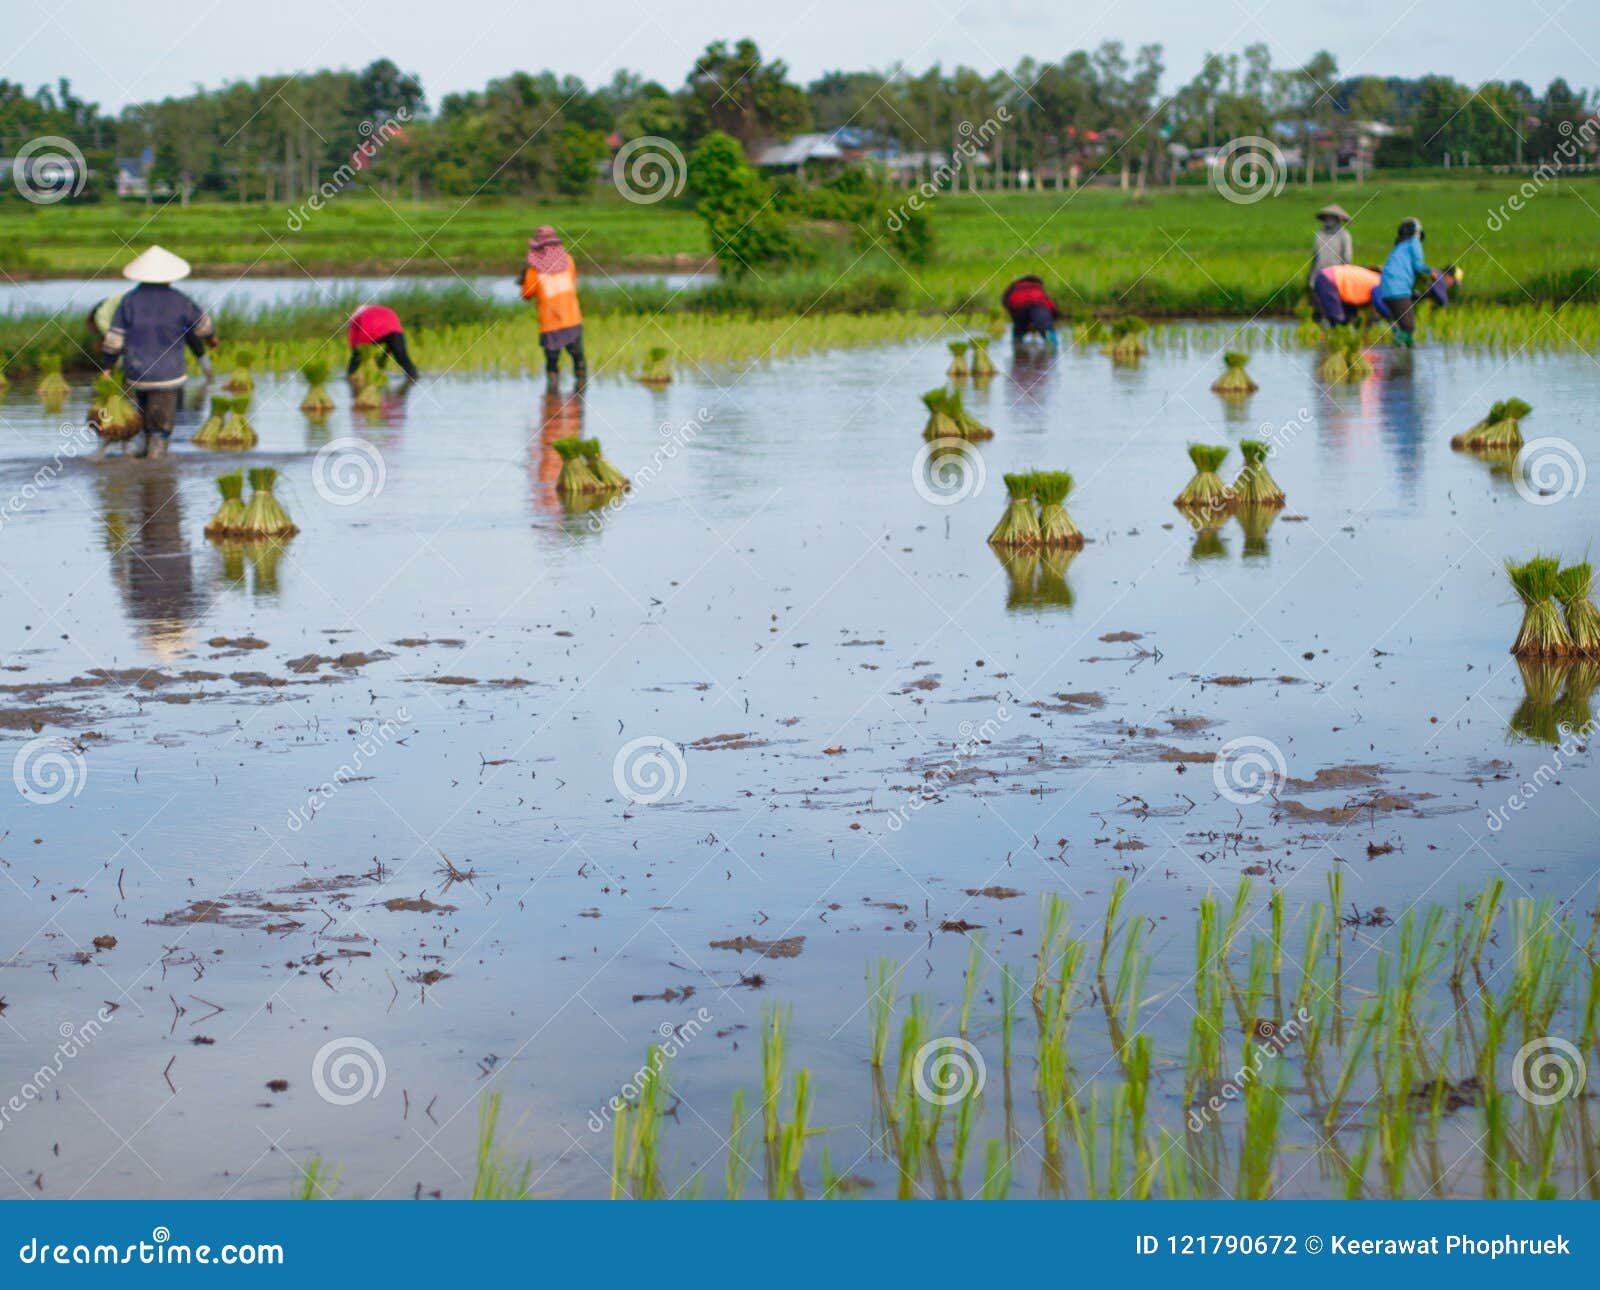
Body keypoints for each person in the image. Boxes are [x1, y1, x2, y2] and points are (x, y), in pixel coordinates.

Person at [97, 246, 217, 459]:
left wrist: (107, 365)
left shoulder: (129, 301)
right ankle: (156, 466)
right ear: (169, 277)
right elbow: (202, 325)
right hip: (168, 374)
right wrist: (211, 339)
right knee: (161, 425)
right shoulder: (180, 300)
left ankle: (143, 466)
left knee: (144, 418)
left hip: (137, 371)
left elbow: (115, 338)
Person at [520, 225, 585, 383]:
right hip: (572, 318)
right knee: (578, 356)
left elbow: (527, 294)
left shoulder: (534, 270)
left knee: (552, 360)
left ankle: (552, 397)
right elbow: (573, 281)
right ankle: (581, 393)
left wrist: (523, 279)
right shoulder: (568, 261)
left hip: (550, 323)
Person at [1378, 218, 1436, 347]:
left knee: (1405, 327)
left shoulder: (1399, 246)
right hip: (1398, 288)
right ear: (1417, 232)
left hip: (1386, 288)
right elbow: (1418, 266)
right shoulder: (1414, 243)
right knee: (1408, 327)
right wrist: (1430, 272)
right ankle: (1394, 351)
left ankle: (1410, 351)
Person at [347, 303, 420, 380]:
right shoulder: (382, 310)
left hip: (372, 329)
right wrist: (384, 357)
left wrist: (355, 351)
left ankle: (350, 376)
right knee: (402, 357)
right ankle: (413, 376)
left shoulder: (355, 318)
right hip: (394, 329)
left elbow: (354, 341)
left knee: (357, 355)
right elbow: (391, 341)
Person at [1308, 205, 1352, 317]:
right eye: (1327, 218)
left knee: (1335, 307)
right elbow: (1315, 257)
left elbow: (1347, 259)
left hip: (1336, 277)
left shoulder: (1344, 235)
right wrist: (1311, 279)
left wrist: (1345, 279)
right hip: (1319, 275)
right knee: (1319, 308)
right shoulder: (1320, 234)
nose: (1328, 220)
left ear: (1337, 219)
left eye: (1331, 218)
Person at [1001, 276, 1063, 346]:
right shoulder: (1037, 288)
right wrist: (1053, 320)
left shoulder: (1012, 289)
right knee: (1048, 332)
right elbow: (1051, 306)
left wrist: (1017, 321)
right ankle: (1054, 351)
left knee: (1018, 332)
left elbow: (1007, 304)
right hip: (1038, 310)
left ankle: (1017, 349)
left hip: (1019, 312)